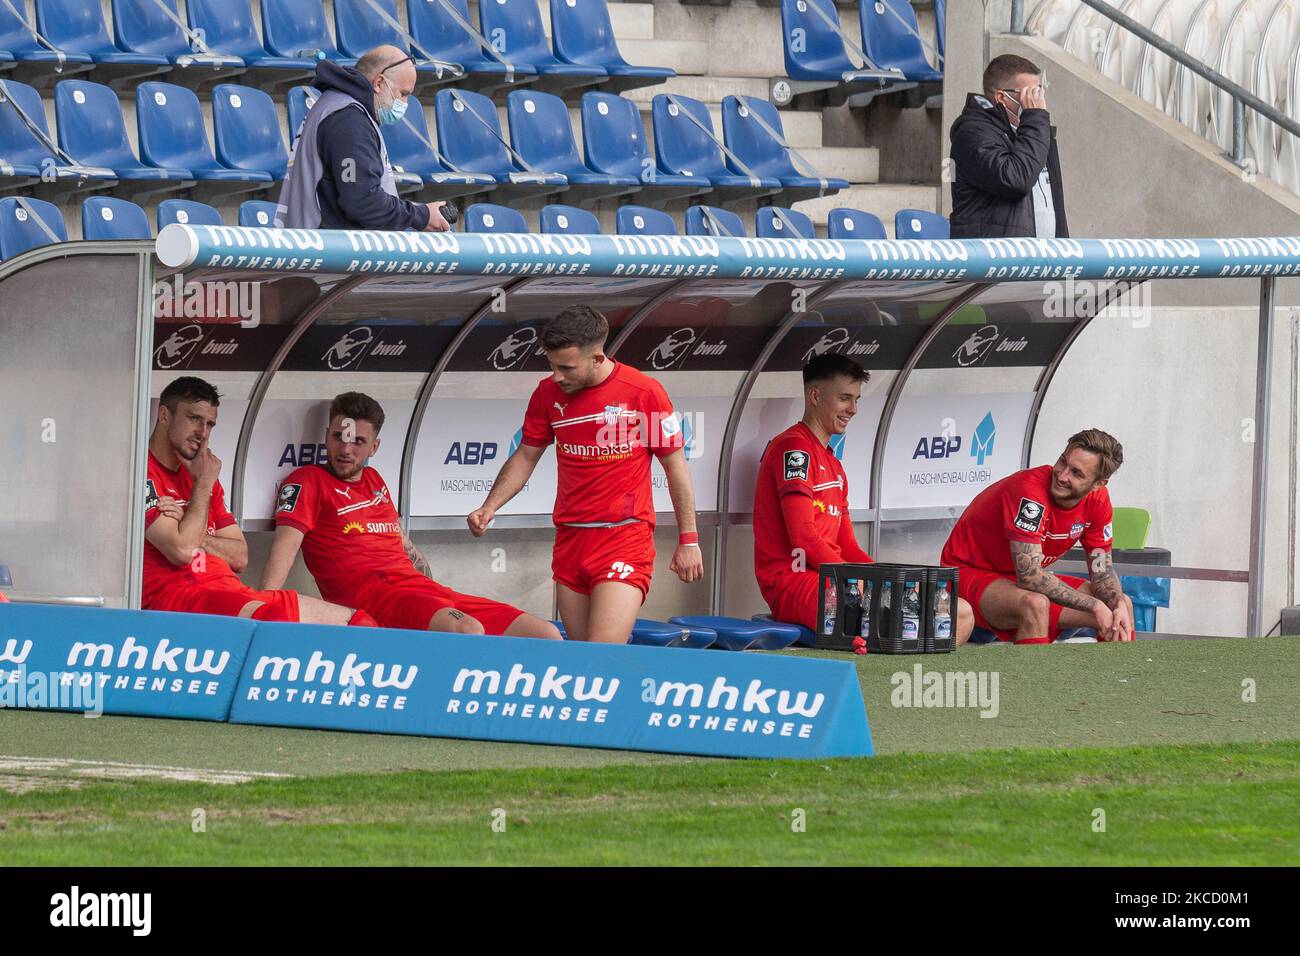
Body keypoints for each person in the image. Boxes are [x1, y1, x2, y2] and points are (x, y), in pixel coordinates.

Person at [468, 306, 705, 643]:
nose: (557, 376)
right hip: (571, 540)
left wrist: (689, 540)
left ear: (597, 358)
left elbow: (675, 466)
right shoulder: (546, 394)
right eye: (552, 366)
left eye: (566, 367)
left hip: (624, 537)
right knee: (581, 659)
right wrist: (490, 506)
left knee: (601, 654)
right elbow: (526, 455)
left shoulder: (643, 392)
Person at [261, 393, 560, 639]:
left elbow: (403, 545)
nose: (346, 449)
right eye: (339, 437)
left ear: (374, 447)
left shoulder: (374, 480)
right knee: (467, 629)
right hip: (373, 597)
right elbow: (283, 551)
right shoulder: (307, 481)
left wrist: (433, 597)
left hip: (419, 590)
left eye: (358, 442)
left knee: (544, 634)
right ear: (327, 437)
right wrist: (263, 607)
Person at [754, 354, 975, 642]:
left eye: (856, 399)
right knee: (898, 616)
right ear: (815, 396)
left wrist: (884, 578)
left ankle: (914, 669)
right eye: (845, 398)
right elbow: (803, 538)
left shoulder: (834, 464)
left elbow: (847, 545)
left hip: (834, 580)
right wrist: (859, 580)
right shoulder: (794, 448)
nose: (853, 409)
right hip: (794, 583)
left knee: (960, 612)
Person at [143, 377, 373, 625]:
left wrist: (191, 530)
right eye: (194, 419)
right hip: (182, 597)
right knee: (274, 617)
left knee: (359, 622)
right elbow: (183, 551)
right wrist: (203, 486)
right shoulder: (143, 473)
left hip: (230, 589)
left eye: (210, 424)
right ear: (164, 415)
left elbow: (240, 557)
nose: (203, 433)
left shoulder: (201, 474)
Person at [941, 429, 1135, 644]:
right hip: (965, 573)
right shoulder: (1030, 490)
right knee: (1035, 603)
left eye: (1076, 473)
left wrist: (1117, 603)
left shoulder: (1098, 502)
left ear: (1098, 484)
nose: (1062, 476)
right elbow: (1030, 576)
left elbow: (1102, 571)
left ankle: (1120, 667)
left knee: (1122, 607)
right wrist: (1094, 605)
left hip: (1014, 580)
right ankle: (1033, 668)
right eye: (1062, 462)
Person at [277, 45, 451, 232]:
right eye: (403, 94)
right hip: (330, 246)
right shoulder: (348, 120)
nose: (405, 103)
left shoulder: (338, 106)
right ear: (379, 83)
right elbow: (362, 201)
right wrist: (421, 216)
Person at [948, 53, 1069, 239]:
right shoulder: (972, 133)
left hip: (1044, 255)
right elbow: (1016, 180)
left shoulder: (1032, 132)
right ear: (1002, 98)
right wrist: (1035, 117)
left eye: (1039, 92)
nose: (1038, 101)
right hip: (994, 255)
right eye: (1029, 94)